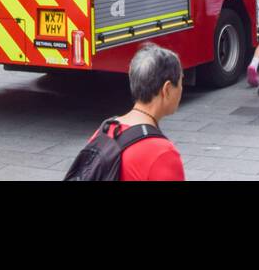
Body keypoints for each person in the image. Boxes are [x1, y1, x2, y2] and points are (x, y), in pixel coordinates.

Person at [72, 44, 185, 181]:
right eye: (180, 82)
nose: (181, 89)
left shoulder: (106, 130)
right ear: (166, 89)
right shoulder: (163, 153)